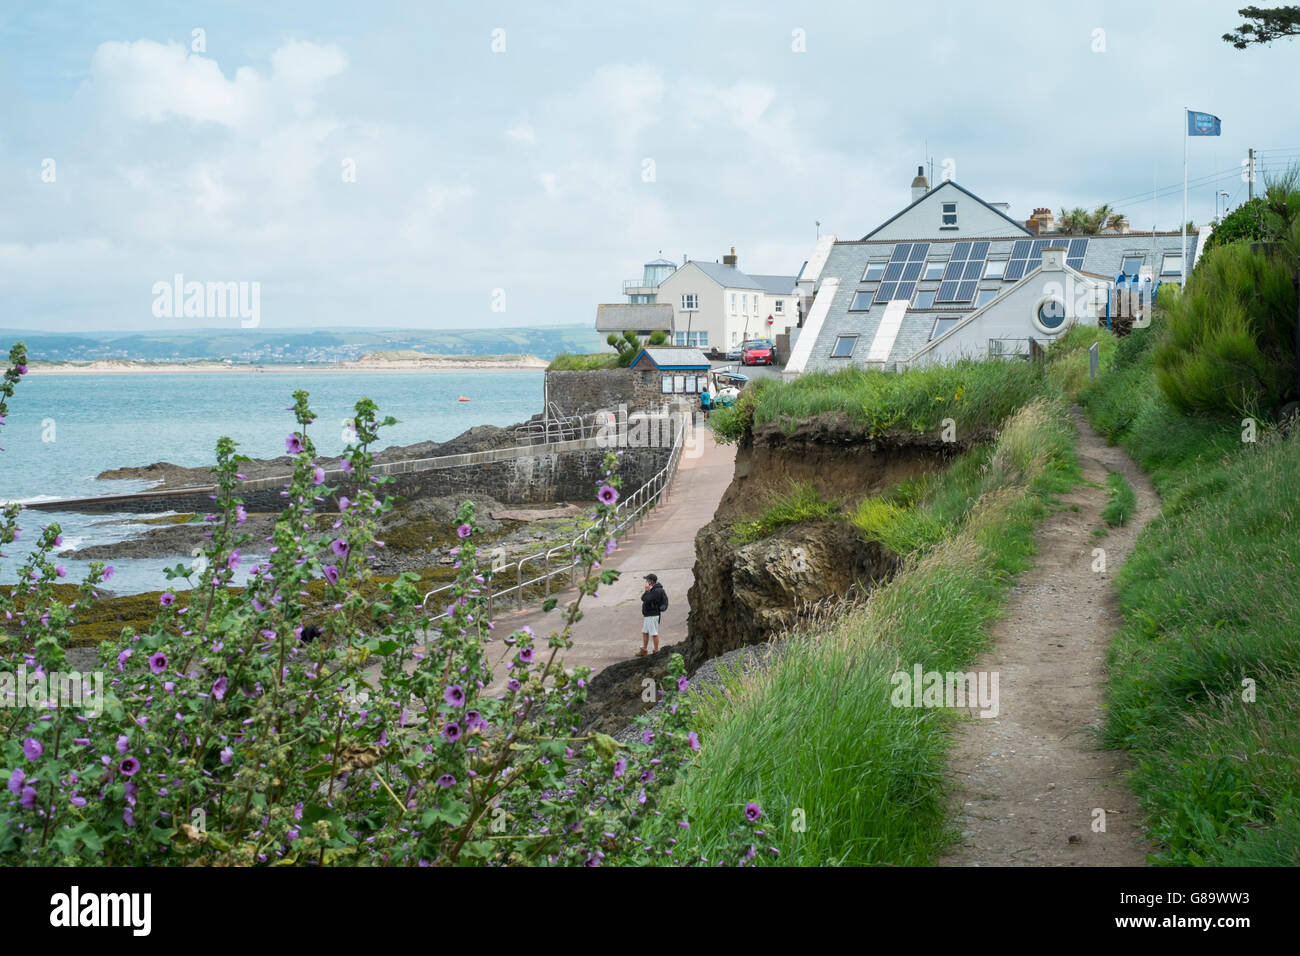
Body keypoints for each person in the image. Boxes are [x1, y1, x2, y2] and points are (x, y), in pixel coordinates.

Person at [636, 573, 667, 656]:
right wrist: (648, 591)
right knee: (645, 632)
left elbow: (645, 598)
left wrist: (646, 591)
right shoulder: (653, 589)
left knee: (654, 633)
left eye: (647, 580)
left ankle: (656, 651)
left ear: (651, 581)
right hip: (648, 615)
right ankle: (644, 650)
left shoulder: (657, 591)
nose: (646, 582)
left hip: (652, 615)